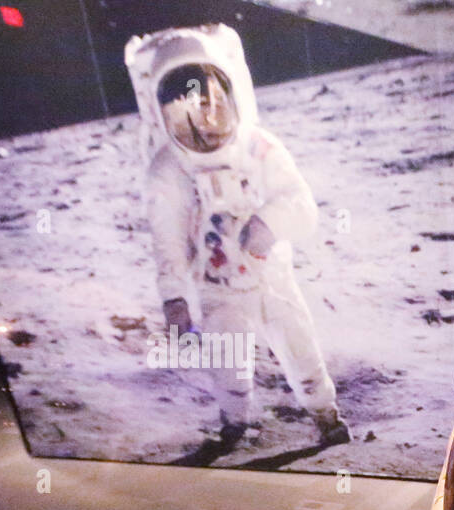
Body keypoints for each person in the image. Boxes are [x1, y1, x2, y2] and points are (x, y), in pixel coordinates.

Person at [125, 25, 350, 450]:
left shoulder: (258, 147)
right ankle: (235, 420)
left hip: (272, 281)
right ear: (163, 113)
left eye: (211, 104)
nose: (204, 123)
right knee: (229, 367)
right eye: (185, 113)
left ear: (230, 94)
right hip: (217, 290)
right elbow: (168, 239)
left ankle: (325, 412)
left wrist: (270, 223)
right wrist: (174, 297)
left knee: (301, 352)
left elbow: (302, 206)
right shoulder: (168, 170)